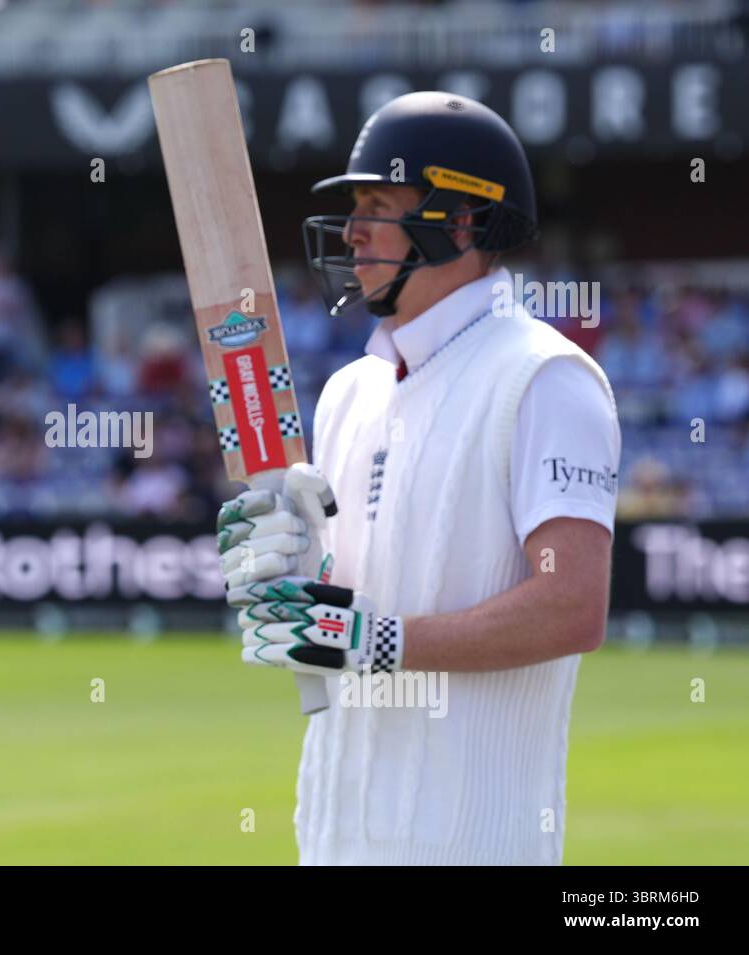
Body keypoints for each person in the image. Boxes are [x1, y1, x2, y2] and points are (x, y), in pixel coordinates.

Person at [218, 92, 622, 865]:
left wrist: (379, 640)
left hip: (476, 843)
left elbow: (573, 605)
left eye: (378, 203)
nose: (352, 230)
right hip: (334, 840)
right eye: (352, 206)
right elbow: (330, 623)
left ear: (461, 221)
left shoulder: (544, 377)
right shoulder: (349, 390)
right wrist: (281, 569)